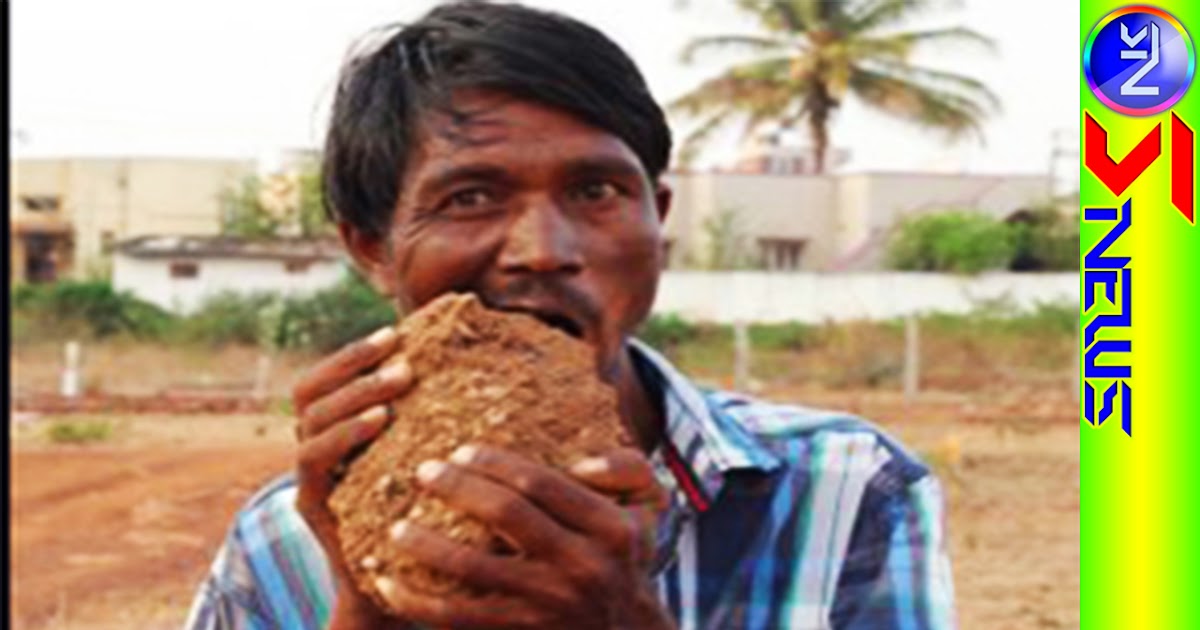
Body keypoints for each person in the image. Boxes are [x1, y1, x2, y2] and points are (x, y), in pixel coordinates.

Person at [184, 2, 955, 628]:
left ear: (657, 219)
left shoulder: (843, 490)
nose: (543, 251)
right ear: (373, 248)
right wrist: (366, 606)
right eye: (470, 197)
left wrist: (625, 621)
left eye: (595, 191)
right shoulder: (287, 542)